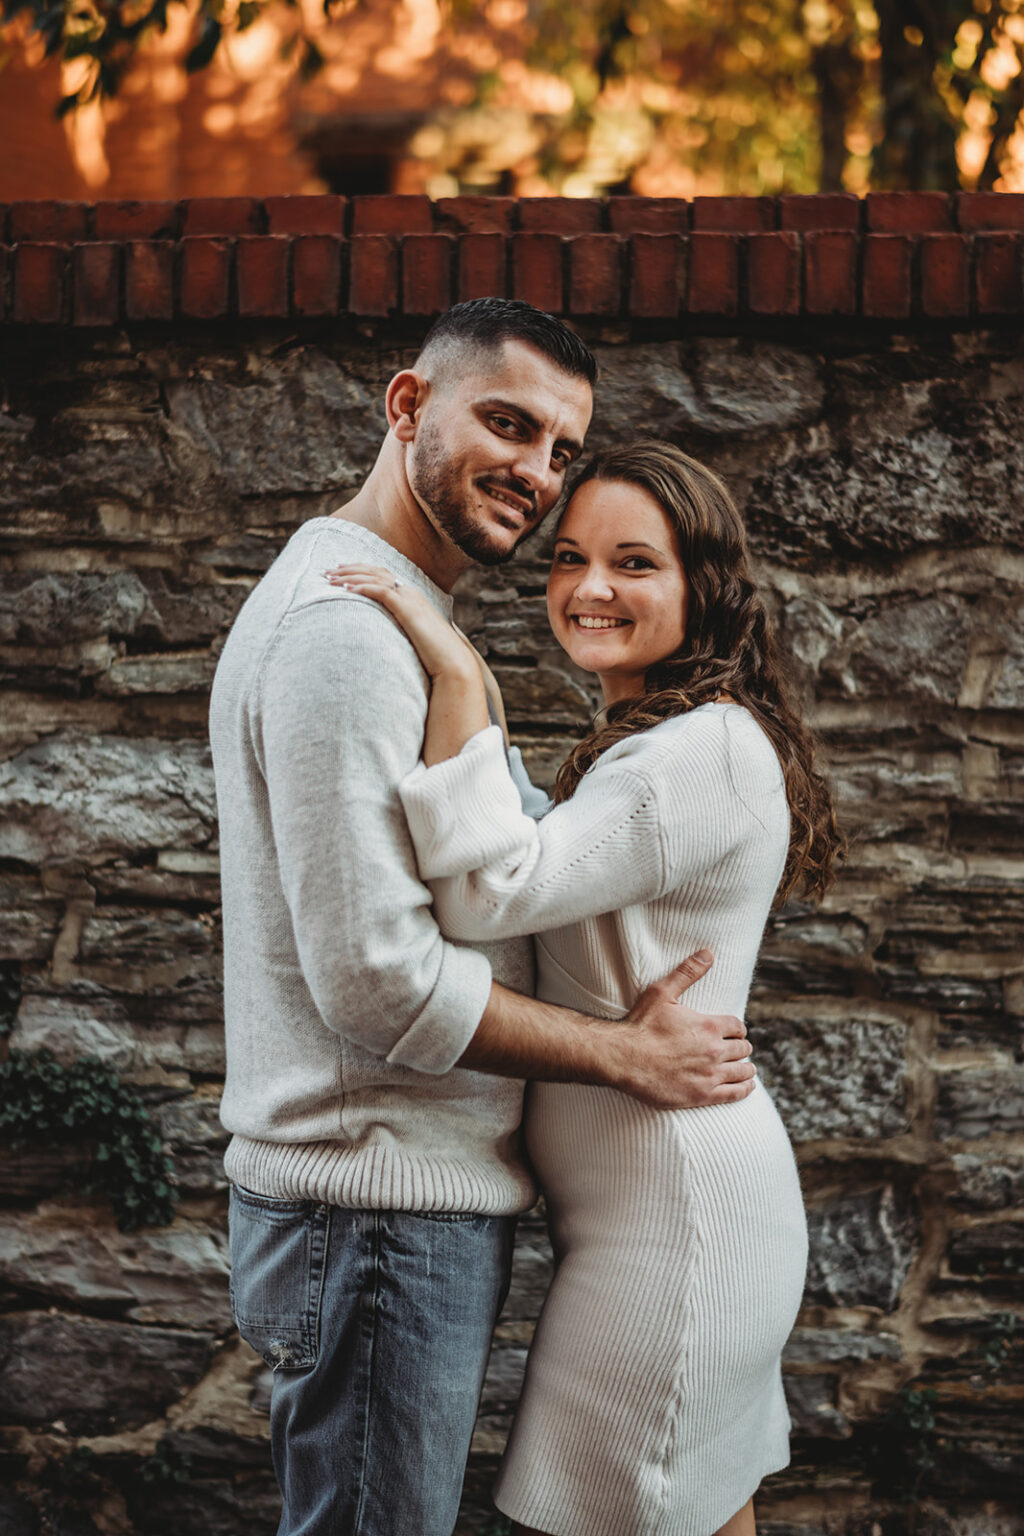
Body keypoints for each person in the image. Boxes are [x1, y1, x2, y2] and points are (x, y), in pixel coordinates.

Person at [209, 302, 759, 1536]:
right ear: (407, 406)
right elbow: (377, 982)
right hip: (374, 1209)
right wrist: (623, 1054)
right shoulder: (347, 631)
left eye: (560, 448)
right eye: (507, 424)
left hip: (395, 1209)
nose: (536, 473)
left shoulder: (397, 611)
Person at [324, 439, 843, 1536]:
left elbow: (484, 897)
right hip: (677, 1214)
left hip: (677, 1229)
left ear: (701, 586)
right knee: (697, 1510)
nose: (588, 589)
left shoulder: (684, 757)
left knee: (609, 1510)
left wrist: (460, 675)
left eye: (632, 563)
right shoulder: (663, 740)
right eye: (568, 558)